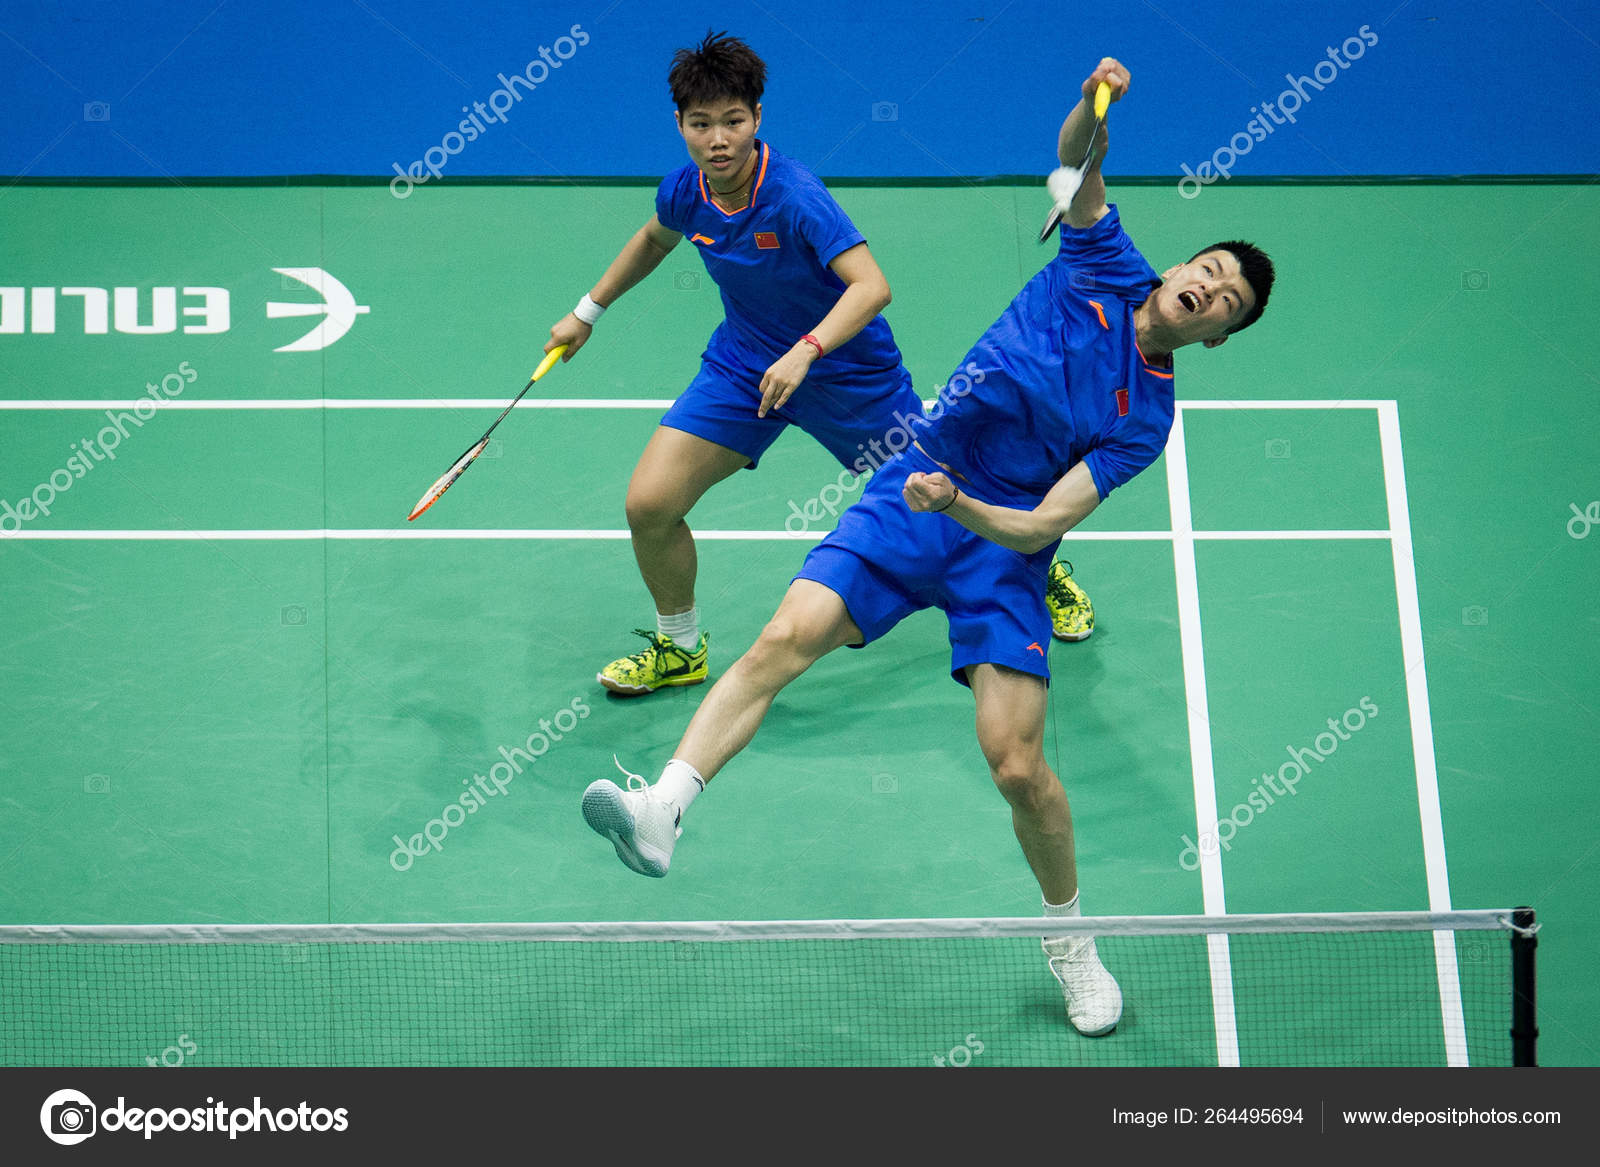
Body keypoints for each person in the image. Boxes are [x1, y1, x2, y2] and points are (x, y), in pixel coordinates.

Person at [580, 55, 1274, 1036]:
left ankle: (1070, 944)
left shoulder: (1144, 417)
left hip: (995, 547)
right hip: (913, 490)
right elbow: (1077, 163)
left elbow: (1043, 524)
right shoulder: (1101, 258)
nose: (1207, 289)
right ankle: (663, 809)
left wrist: (969, 510)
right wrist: (1090, 105)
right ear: (1176, 268)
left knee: (1017, 769)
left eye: (1227, 302)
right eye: (1207, 269)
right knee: (782, 638)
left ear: (1218, 337)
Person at [544, 30, 1093, 697]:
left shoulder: (796, 196)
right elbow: (654, 239)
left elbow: (871, 285)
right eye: (701, 124)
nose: (718, 139)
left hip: (849, 378)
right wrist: (587, 312)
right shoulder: (687, 191)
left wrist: (806, 352)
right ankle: (679, 647)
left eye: (733, 122)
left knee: (948, 495)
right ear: (680, 125)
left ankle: (1042, 567)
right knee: (649, 504)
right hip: (744, 368)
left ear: (758, 119)